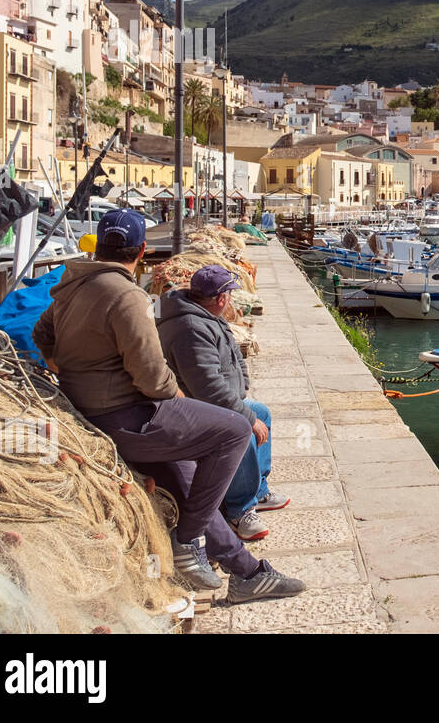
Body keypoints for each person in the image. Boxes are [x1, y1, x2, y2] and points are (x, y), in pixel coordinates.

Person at [33, 209, 304, 604]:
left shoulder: (71, 285)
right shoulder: (126, 295)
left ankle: (247, 572)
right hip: (128, 415)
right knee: (232, 429)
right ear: (142, 250)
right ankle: (188, 539)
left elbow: (42, 334)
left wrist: (75, 373)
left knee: (190, 483)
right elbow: (151, 376)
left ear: (100, 244)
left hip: (91, 409)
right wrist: (177, 399)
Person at [156, 265, 288, 541]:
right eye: (229, 294)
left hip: (218, 400)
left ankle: (259, 489)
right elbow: (208, 389)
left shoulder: (206, 315)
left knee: (261, 411)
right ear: (221, 299)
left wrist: (244, 383)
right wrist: (247, 418)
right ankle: (239, 509)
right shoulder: (190, 329)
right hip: (195, 408)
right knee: (242, 426)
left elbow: (233, 354)